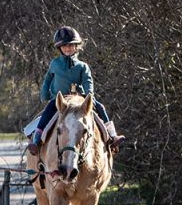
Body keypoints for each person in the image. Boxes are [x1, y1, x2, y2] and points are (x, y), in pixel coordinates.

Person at [24, 25, 123, 154]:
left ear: (76, 46)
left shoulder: (82, 66)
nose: (68, 48)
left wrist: (89, 96)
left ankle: (112, 135)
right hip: (60, 100)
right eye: (64, 46)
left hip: (79, 100)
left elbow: (88, 81)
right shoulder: (54, 63)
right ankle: (36, 141)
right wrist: (44, 93)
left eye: (71, 45)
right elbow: (48, 78)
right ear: (60, 48)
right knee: (47, 113)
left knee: (100, 108)